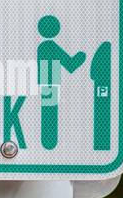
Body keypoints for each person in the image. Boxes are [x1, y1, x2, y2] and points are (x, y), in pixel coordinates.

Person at [36, 14, 86, 150]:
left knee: (47, 109)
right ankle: (49, 142)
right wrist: (81, 57)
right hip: (51, 83)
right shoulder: (51, 46)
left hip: (44, 83)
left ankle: (48, 142)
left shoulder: (42, 47)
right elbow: (70, 65)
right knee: (50, 110)